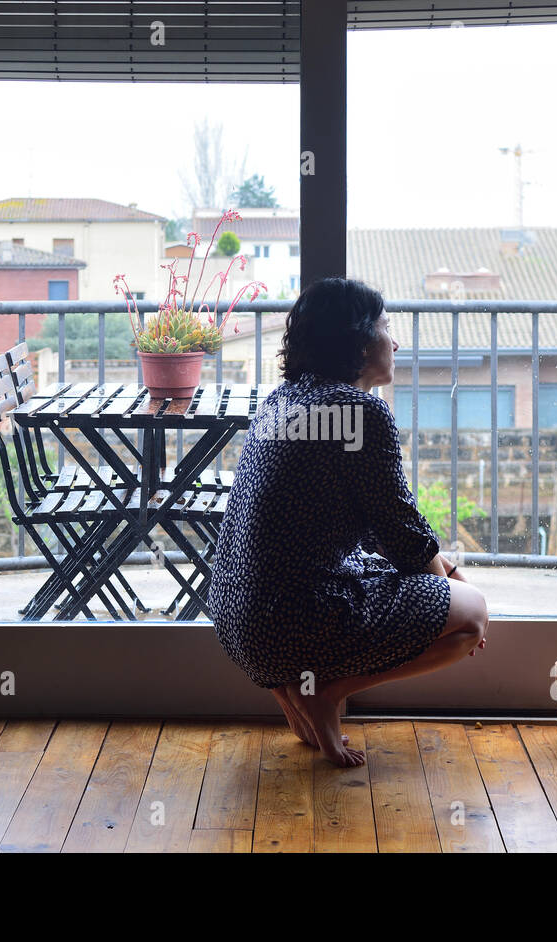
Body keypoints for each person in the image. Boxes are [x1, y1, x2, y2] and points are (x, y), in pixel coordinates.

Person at [206, 277, 489, 767]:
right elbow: (400, 532)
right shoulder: (361, 412)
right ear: (357, 340)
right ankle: (328, 691)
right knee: (473, 616)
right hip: (292, 619)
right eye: (385, 327)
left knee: (452, 592)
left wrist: (450, 578)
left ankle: (295, 691)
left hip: (238, 619)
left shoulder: (282, 400)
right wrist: (460, 599)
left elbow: (387, 529)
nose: (395, 341)